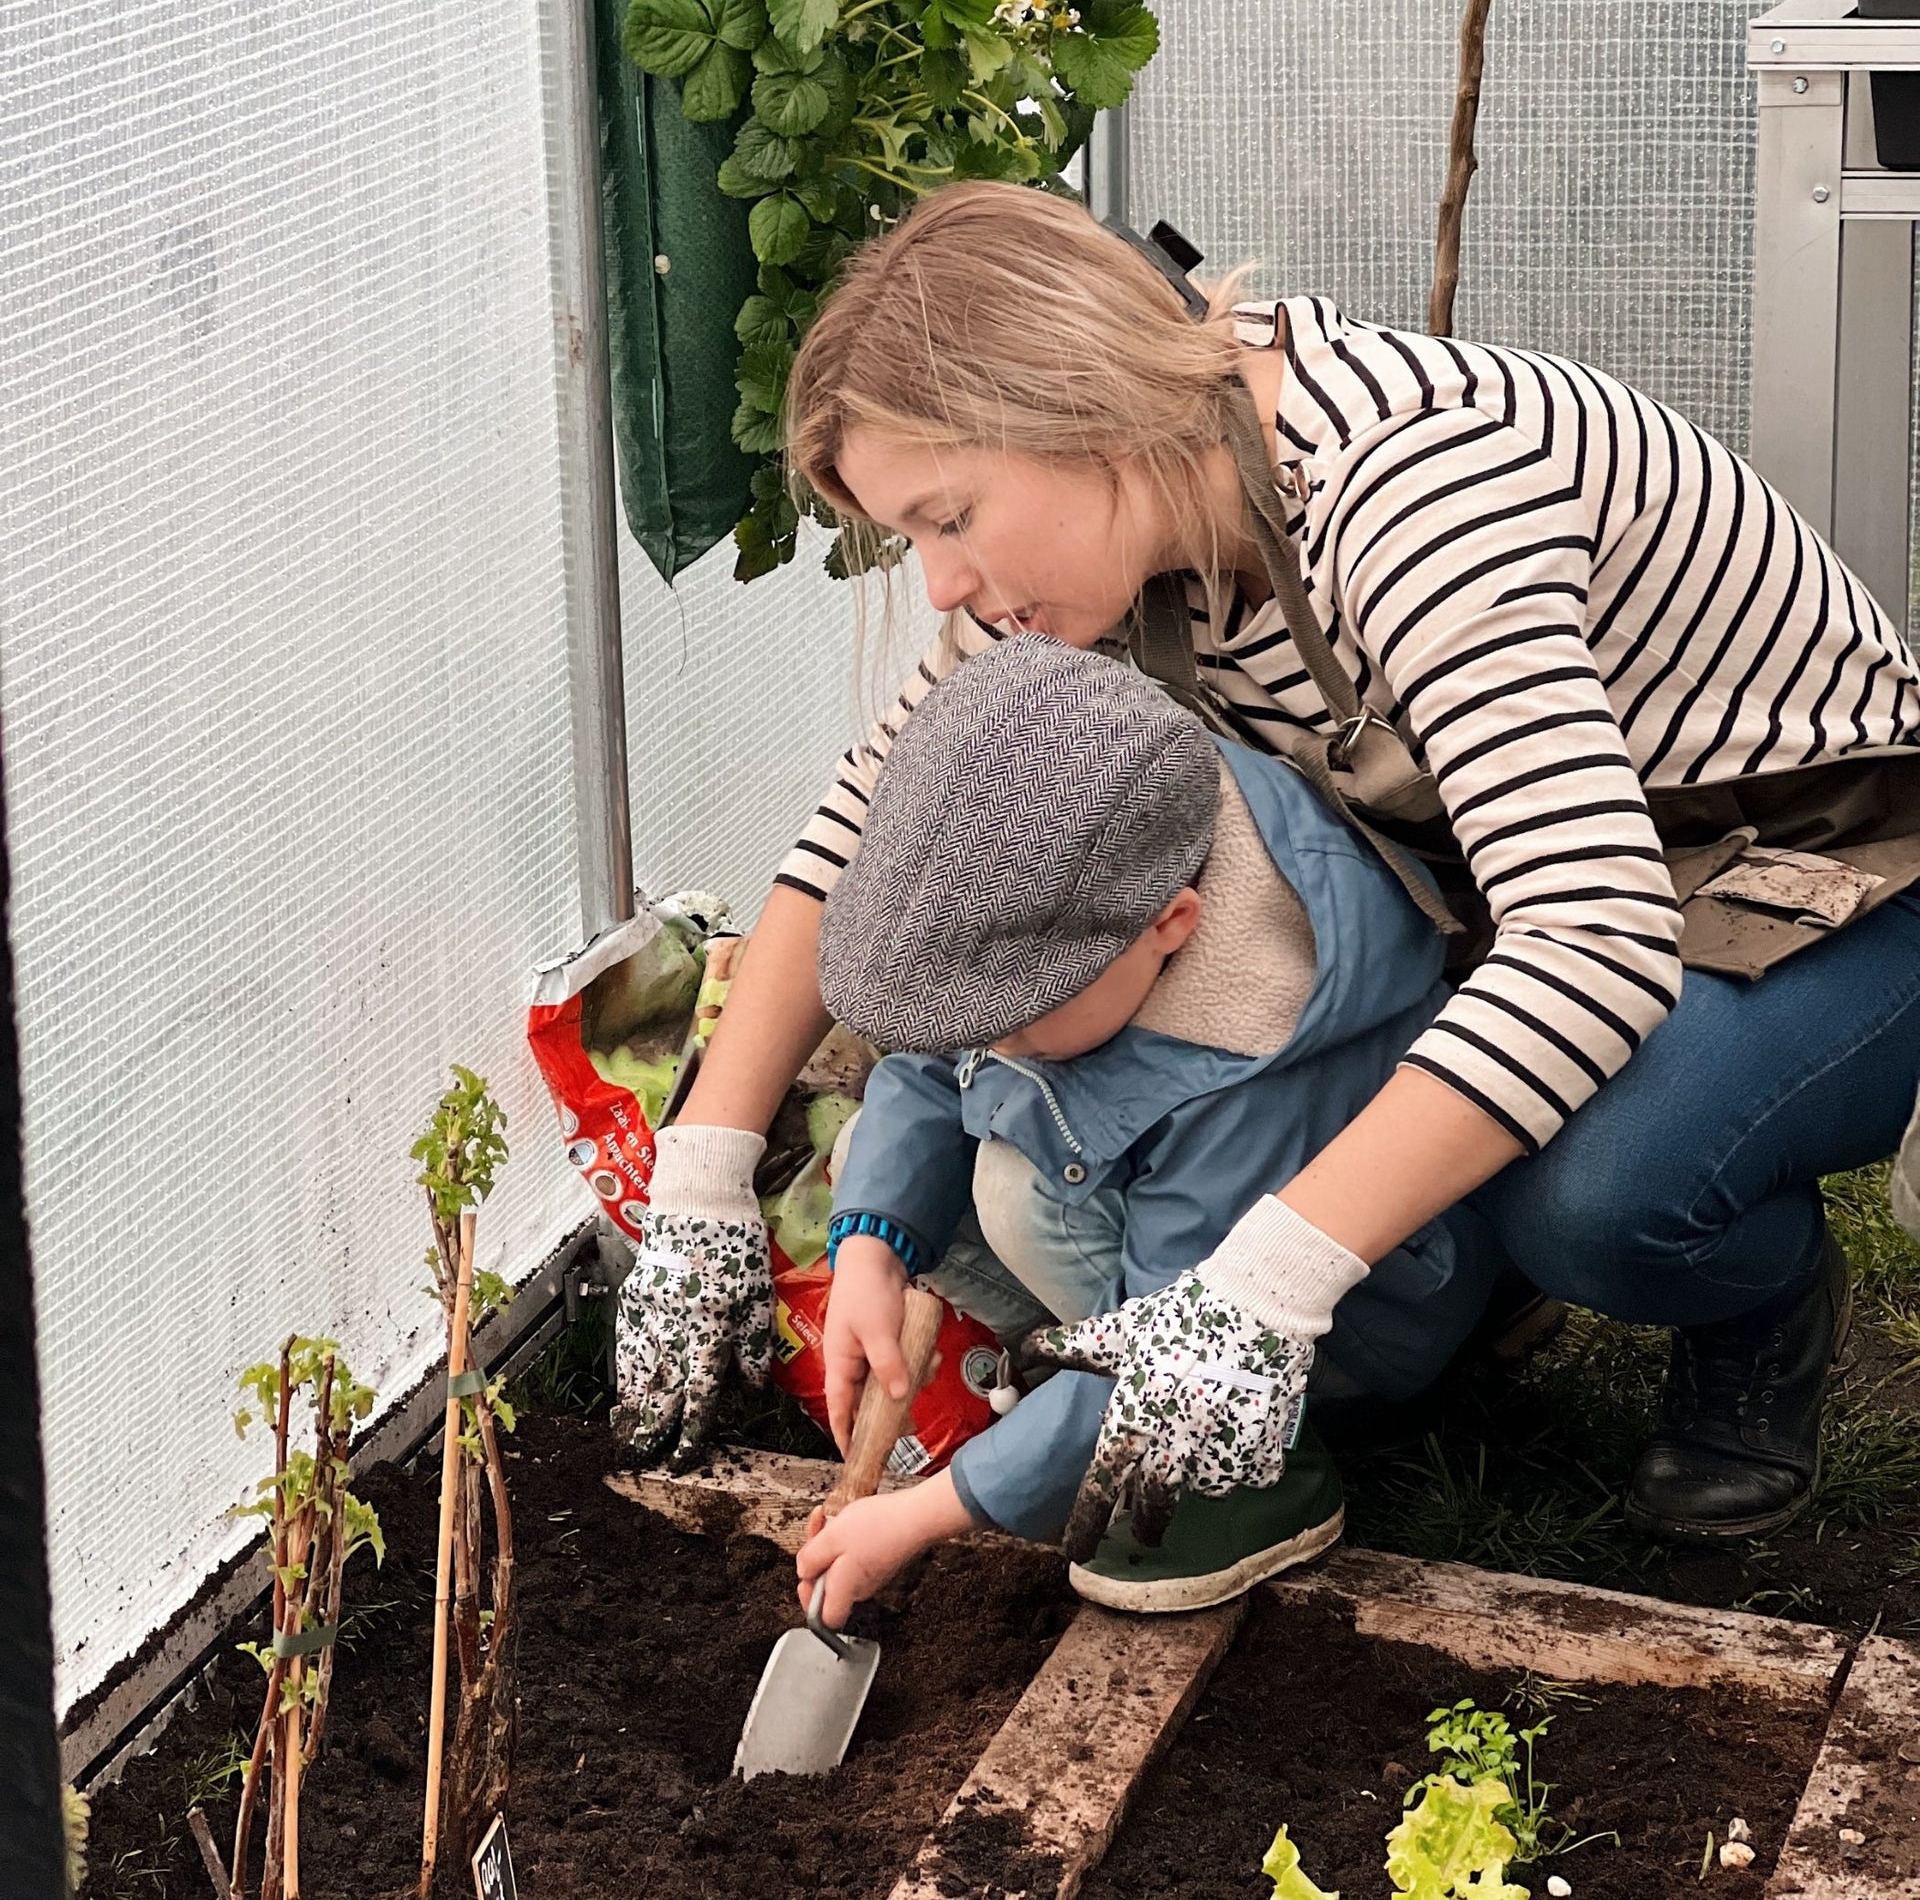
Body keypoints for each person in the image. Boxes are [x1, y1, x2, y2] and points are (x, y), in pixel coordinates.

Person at [617, 178, 1920, 1548]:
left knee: (1597, 1195)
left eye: (950, 518)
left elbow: (1592, 937)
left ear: (1077, 406)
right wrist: (703, 1175)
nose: (939, 586)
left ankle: (1755, 1300)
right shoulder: (1112, 528)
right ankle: (1462, 1274)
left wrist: (1267, 1285)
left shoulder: (1414, 492)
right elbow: (871, 829)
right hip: (1511, 875)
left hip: (1811, 878)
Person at [784, 631, 1502, 1617]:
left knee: (1019, 1198)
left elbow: (1189, 1329)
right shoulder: (1080, 877)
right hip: (1161, 1219)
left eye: (1024, 1011)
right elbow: (929, 1062)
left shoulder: (1252, 1046)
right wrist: (869, 1248)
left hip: (1340, 1324)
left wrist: (928, 1512)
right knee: (879, 1155)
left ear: (1172, 921)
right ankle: (1083, 1416)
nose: (994, 1039)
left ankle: (1257, 1479)